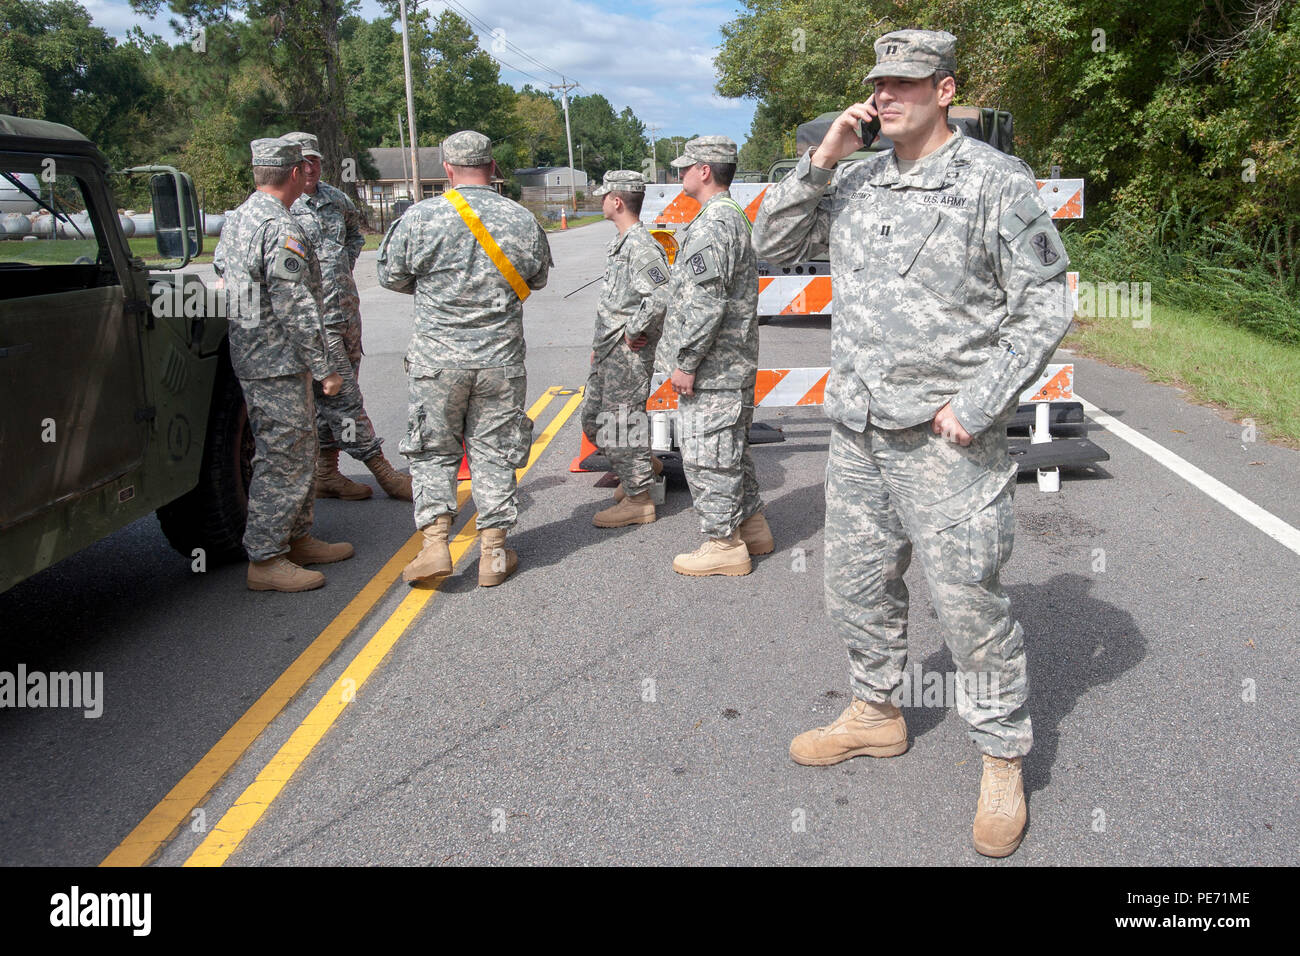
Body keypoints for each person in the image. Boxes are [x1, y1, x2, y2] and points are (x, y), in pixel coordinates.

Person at [752, 29, 1073, 857]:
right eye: (878, 84)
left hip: (945, 442)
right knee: (855, 587)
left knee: (969, 604)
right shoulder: (855, 179)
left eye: (905, 82)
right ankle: (875, 712)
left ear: (944, 89)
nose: (886, 95)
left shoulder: (994, 181)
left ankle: (1001, 756)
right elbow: (768, 247)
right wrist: (822, 158)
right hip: (859, 429)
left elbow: (1045, 302)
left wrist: (981, 401)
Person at [377, 130, 552, 587]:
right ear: (492, 167)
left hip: (437, 361)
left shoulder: (420, 217)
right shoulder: (521, 219)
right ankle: (493, 553)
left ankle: (436, 545)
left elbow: (391, 275)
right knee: (494, 451)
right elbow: (537, 279)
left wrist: (440, 290)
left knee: (434, 450)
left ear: (447, 169)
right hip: (500, 360)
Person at [213, 138, 350, 592]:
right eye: (303, 169)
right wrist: (324, 366)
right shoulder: (278, 224)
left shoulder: (239, 217)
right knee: (283, 456)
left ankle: (296, 538)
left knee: (299, 447)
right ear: (294, 173)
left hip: (257, 353)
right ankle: (267, 557)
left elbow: (222, 268)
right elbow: (294, 302)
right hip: (277, 359)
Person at [659, 136, 772, 577]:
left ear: (705, 170)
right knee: (732, 450)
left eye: (685, 167)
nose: (679, 174)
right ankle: (753, 527)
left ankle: (724, 544)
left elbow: (706, 303)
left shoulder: (712, 224)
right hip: (731, 362)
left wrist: (686, 362)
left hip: (714, 367)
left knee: (709, 454)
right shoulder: (732, 217)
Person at [280, 131, 412, 503]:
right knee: (344, 398)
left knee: (332, 398)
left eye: (315, 160)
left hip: (345, 314)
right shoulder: (278, 208)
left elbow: (355, 234)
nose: (310, 168)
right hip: (314, 322)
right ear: (289, 166)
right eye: (303, 162)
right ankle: (384, 472)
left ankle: (326, 472)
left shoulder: (335, 199)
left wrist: (342, 267)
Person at [580, 169, 671, 528]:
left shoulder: (641, 246)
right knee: (594, 421)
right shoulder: (622, 243)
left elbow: (661, 295)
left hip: (627, 353)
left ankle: (638, 499)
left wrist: (634, 330)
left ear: (617, 201)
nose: (601, 201)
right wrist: (600, 344)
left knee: (620, 424)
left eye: (604, 196)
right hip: (608, 350)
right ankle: (642, 468)